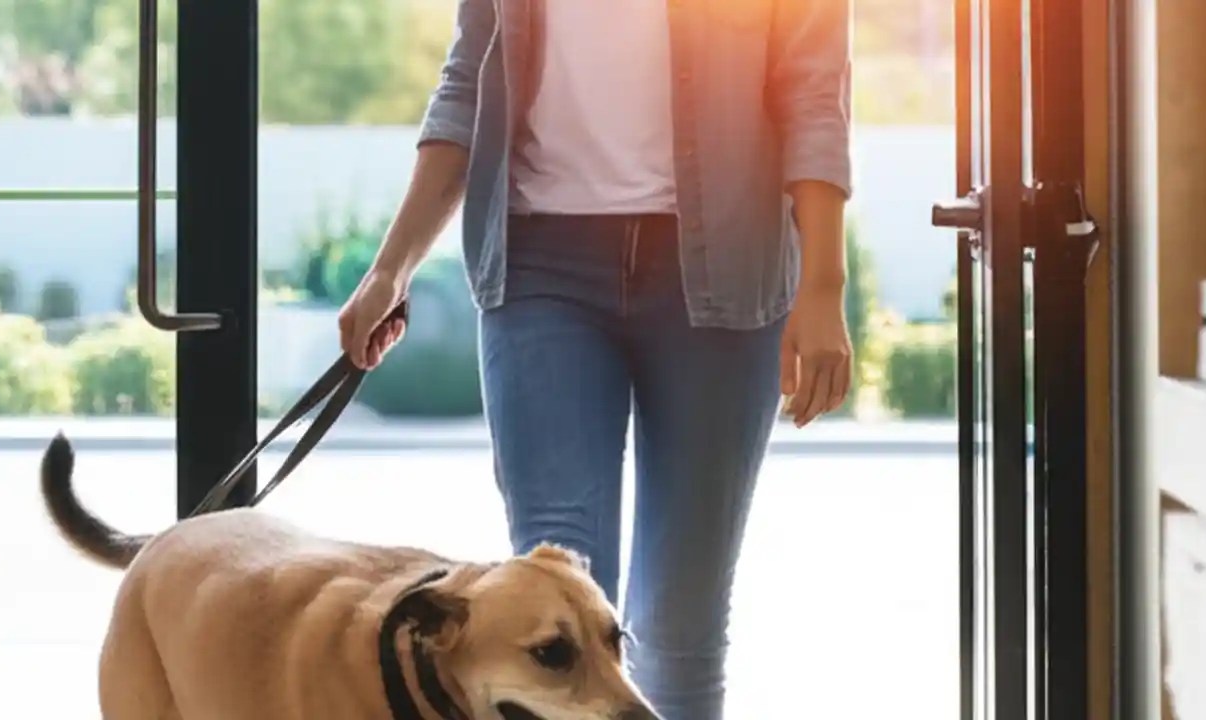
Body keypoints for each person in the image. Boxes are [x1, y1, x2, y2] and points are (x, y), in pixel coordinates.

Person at [338, 1, 852, 717]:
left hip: (724, 269)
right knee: (556, 604)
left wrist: (824, 286)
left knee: (681, 623)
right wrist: (390, 269)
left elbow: (812, 92)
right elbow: (469, 82)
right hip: (540, 266)